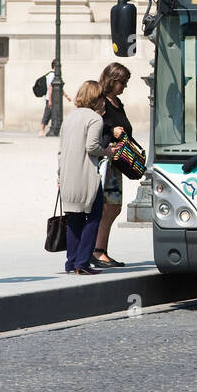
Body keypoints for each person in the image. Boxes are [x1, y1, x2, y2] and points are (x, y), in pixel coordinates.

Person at [58, 80, 110, 275]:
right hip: (86, 174)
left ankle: (71, 262)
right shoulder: (95, 119)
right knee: (94, 216)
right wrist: (108, 151)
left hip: (67, 174)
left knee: (74, 218)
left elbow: (61, 150)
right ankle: (83, 262)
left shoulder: (69, 118)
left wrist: (59, 176)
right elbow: (92, 147)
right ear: (97, 98)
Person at [91, 62, 132, 268]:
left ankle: (99, 249)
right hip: (104, 161)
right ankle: (98, 251)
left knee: (113, 207)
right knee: (108, 207)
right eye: (121, 82)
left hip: (116, 162)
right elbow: (92, 126)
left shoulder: (117, 102)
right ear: (111, 80)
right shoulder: (100, 101)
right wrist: (111, 129)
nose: (124, 87)